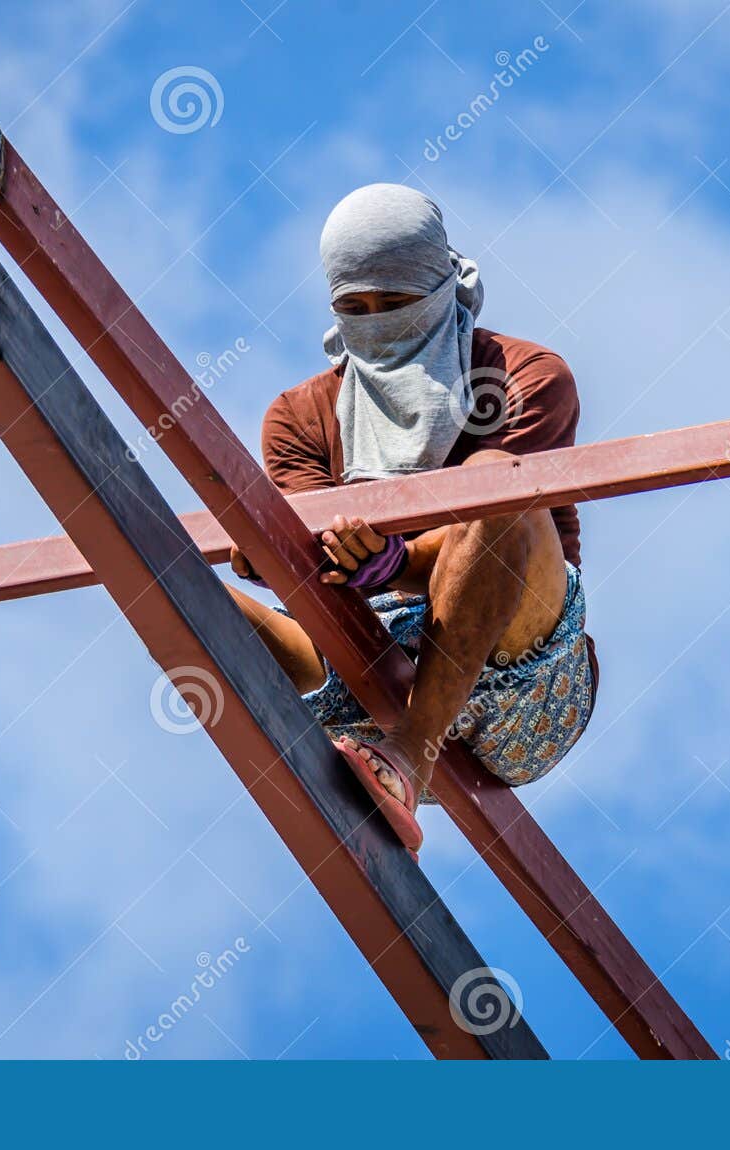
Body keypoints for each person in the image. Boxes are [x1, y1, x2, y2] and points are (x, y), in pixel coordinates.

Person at [224, 183, 596, 854]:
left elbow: (497, 527)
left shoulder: (524, 376)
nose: (377, 323)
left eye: (396, 304)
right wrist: (274, 553)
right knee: (157, 562)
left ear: (441, 286)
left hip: (523, 680)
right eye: (355, 309)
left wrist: (391, 563)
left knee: (495, 484)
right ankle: (343, 760)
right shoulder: (299, 419)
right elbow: (319, 569)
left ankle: (412, 752)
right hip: (364, 668)